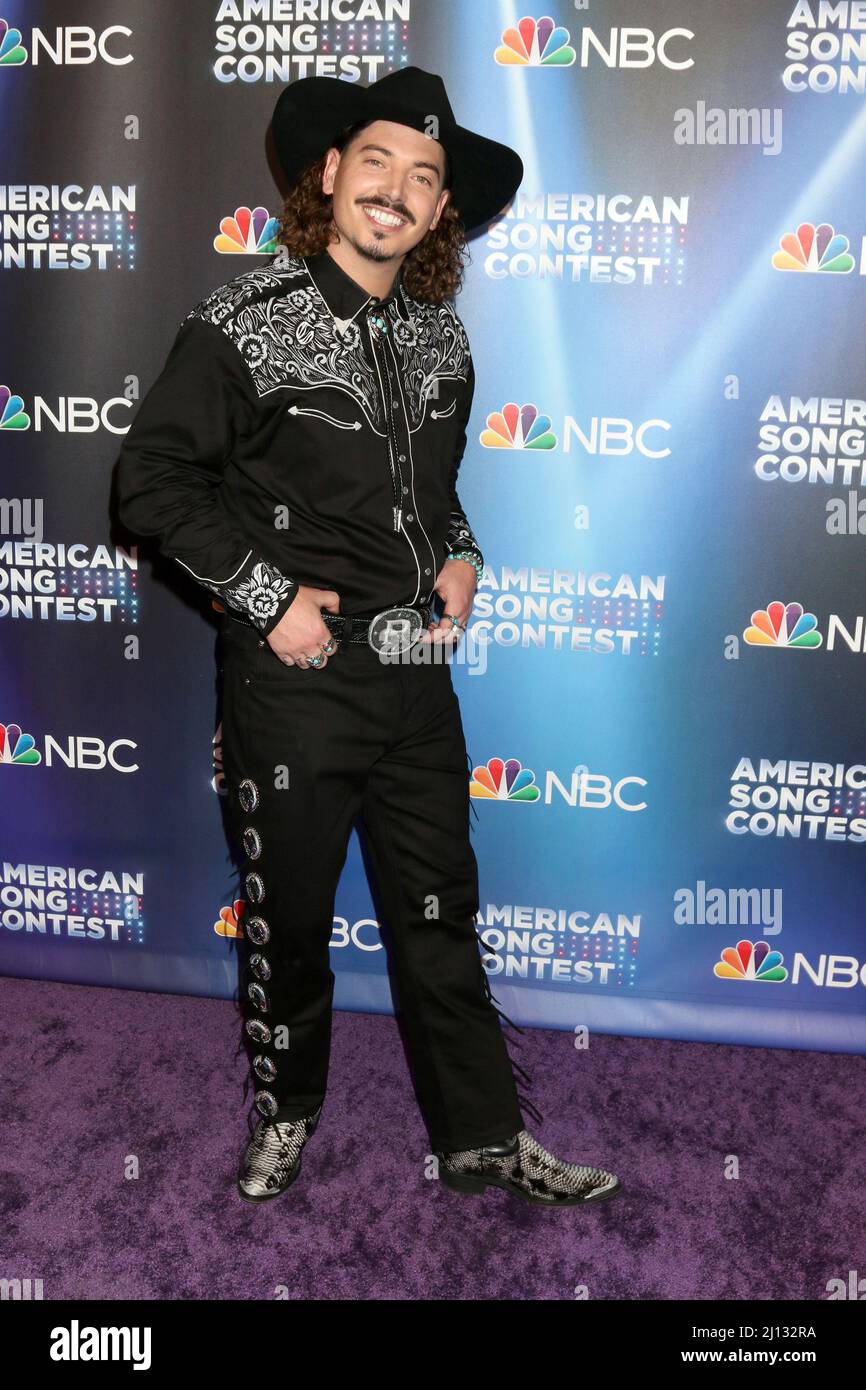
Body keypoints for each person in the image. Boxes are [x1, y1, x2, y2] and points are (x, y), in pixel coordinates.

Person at [115, 67, 621, 1208]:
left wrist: (462, 555)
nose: (396, 189)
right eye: (378, 161)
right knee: (289, 926)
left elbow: (430, 497)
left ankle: (481, 1136)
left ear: (440, 211)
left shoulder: (442, 341)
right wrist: (266, 597)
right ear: (331, 174)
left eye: (424, 176)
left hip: (414, 684)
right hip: (290, 684)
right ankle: (287, 1114)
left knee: (441, 916)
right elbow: (148, 481)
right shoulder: (241, 324)